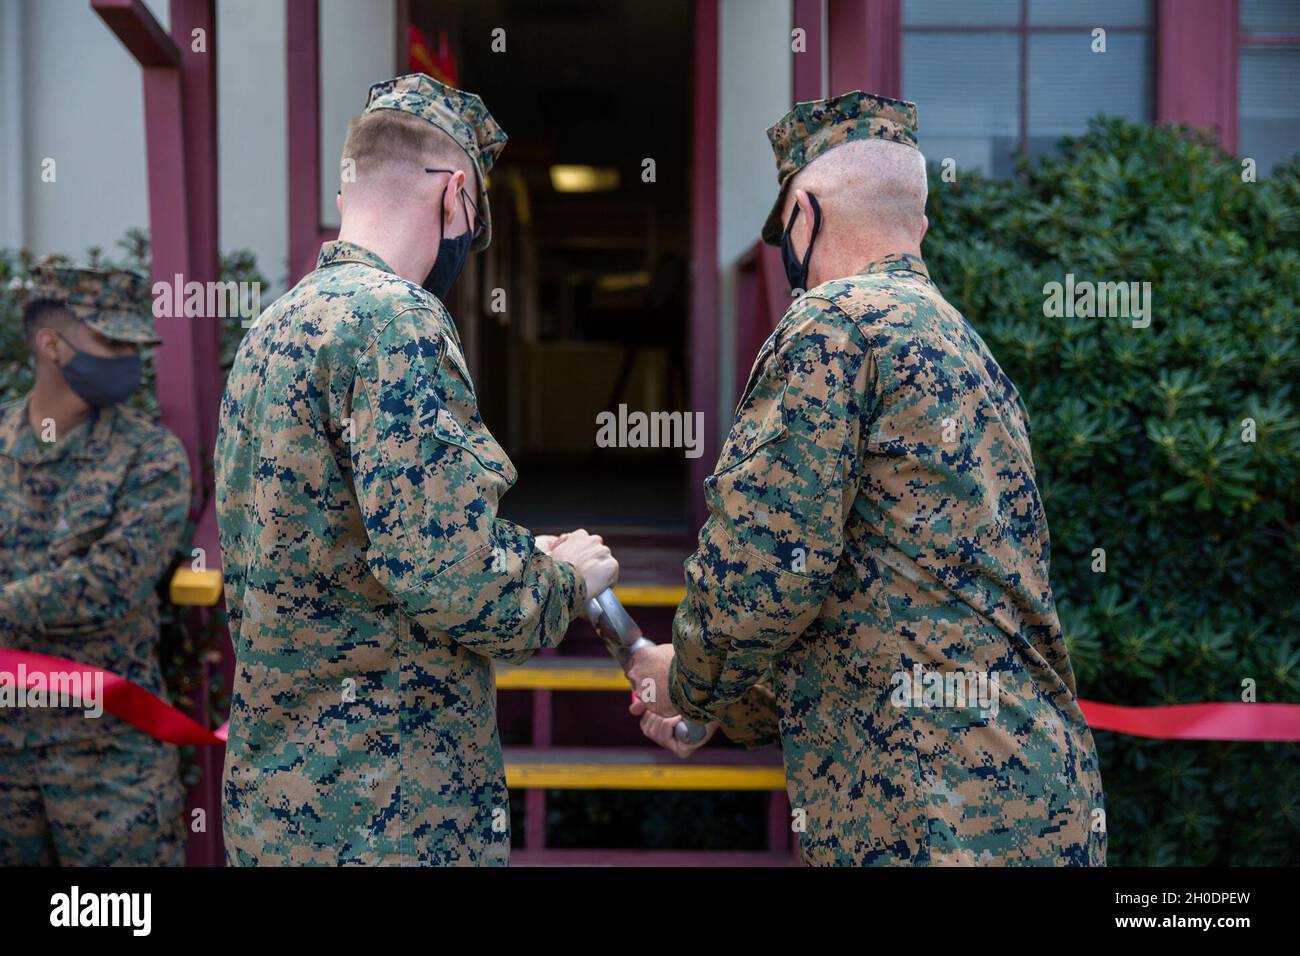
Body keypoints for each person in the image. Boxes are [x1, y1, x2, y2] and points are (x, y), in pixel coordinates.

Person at [630, 91, 1106, 865]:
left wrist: (685, 680)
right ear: (917, 224)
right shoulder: (967, 349)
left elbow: (769, 568)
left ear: (806, 214)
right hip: (1036, 794)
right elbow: (888, 597)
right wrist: (727, 702)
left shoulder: (832, 325)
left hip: (922, 810)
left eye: (783, 230)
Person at [215, 73, 617, 866]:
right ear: (455, 194)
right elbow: (450, 577)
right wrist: (565, 580)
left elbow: (344, 541)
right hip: (390, 809)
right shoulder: (399, 321)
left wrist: (508, 552)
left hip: (276, 805)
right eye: (477, 222)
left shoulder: (274, 325)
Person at [0, 263, 191, 865]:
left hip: (109, 760)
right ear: (50, 344)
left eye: (134, 344)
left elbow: (112, 584)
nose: (127, 360)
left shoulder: (151, 457)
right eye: (111, 342)